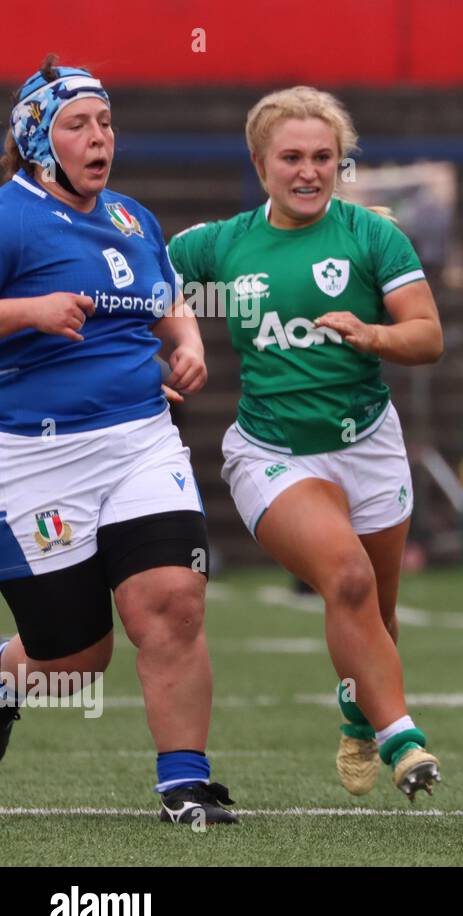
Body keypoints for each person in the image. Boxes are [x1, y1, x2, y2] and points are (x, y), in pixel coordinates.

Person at [167, 86, 444, 800]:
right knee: (346, 580)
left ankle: (358, 714)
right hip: (274, 451)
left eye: (324, 157)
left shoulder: (372, 235)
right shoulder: (220, 245)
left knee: (378, 611)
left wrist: (372, 332)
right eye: (291, 157)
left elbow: (427, 335)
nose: (309, 171)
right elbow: (142, 292)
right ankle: (405, 742)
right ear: (260, 163)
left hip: (369, 443)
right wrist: (171, 347)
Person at [0, 57, 235, 824]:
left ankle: (185, 783)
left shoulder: (132, 216)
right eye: (78, 124)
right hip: (36, 460)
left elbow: (164, 300)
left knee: (171, 601)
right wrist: (27, 313)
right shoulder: (9, 214)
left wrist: (189, 342)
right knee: (76, 662)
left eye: (105, 122)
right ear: (39, 139)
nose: (99, 137)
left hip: (140, 439)